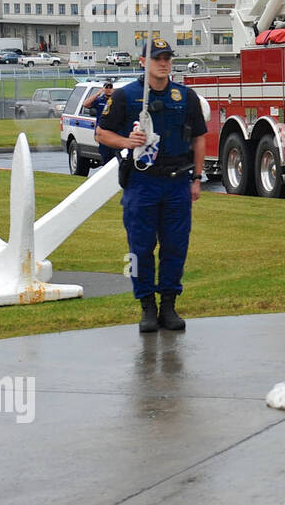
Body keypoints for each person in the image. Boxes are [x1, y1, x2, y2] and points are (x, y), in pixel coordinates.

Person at [95, 38, 208, 333]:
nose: (163, 63)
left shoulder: (186, 96)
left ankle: (169, 305)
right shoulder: (126, 96)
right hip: (142, 182)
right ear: (143, 61)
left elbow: (199, 138)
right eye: (157, 58)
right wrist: (126, 141)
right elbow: (101, 133)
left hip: (177, 183)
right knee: (139, 247)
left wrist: (197, 178)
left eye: (167, 58)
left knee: (175, 246)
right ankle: (146, 305)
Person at [83, 79, 117, 165]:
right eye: (106, 87)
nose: (108, 89)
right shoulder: (99, 100)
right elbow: (85, 104)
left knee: (116, 157)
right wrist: (98, 93)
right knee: (105, 156)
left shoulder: (116, 100)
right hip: (102, 132)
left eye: (110, 87)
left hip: (115, 132)